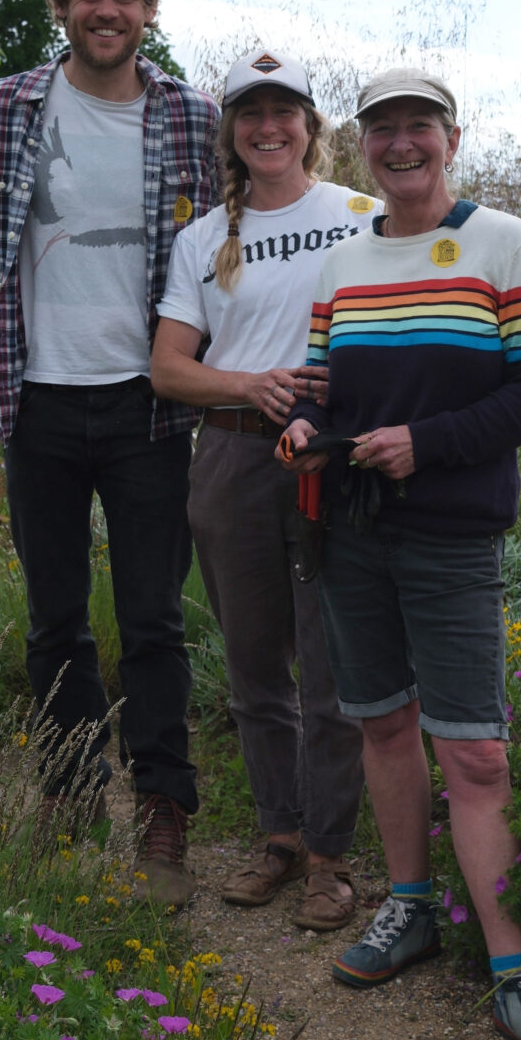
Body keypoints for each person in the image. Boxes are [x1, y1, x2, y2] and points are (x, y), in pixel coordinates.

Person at [280, 68, 521, 1040]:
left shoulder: (502, 242)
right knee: (382, 724)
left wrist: (427, 444)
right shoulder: (341, 260)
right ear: (364, 147)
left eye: (419, 125)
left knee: (475, 755)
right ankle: (411, 909)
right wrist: (303, 427)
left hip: (453, 535)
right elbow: (322, 384)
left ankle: (515, 973)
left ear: (451, 140)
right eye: (382, 129)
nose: (401, 143)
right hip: (353, 532)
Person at [0, 0, 220, 906]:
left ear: (148, 11)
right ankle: (71, 791)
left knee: (154, 619)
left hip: (151, 407)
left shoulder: (193, 118)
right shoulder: (0, 108)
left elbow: (244, 233)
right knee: (55, 619)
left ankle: (162, 809)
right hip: (36, 397)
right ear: (62, 8)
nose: (105, 12)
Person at [151, 50, 379, 929]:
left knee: (331, 670)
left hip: (331, 461)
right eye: (251, 114)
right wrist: (247, 384)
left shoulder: (360, 217)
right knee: (254, 669)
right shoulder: (202, 238)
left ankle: (330, 856)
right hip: (233, 460)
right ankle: (279, 838)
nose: (269, 127)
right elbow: (168, 368)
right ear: (232, 132)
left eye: (286, 112)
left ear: (310, 128)